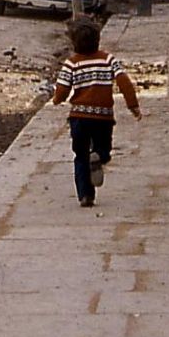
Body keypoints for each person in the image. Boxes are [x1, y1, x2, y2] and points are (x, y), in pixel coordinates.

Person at [52, 16, 141, 207]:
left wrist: (57, 99)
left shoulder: (72, 63)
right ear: (98, 39)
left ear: (73, 42)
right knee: (103, 149)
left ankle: (86, 196)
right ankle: (99, 156)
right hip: (103, 116)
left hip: (79, 118)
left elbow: (63, 88)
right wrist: (133, 105)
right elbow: (124, 82)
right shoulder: (108, 59)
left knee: (80, 156)